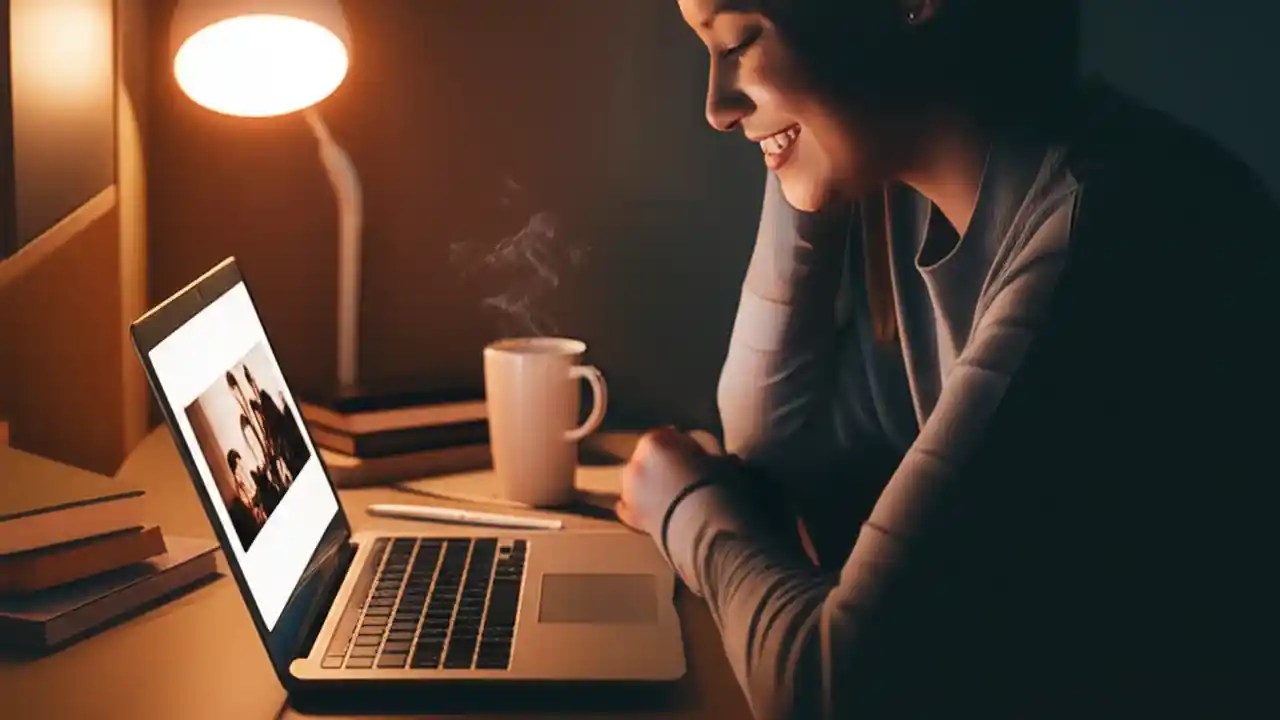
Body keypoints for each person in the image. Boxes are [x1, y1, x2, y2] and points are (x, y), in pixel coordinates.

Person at [616, 1, 1277, 716]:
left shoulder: (1118, 233)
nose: (715, 107)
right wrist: (803, 186)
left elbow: (826, 690)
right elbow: (774, 449)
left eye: (740, 39)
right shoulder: (907, 198)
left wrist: (684, 507)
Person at [226, 449, 264, 548]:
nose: (240, 465)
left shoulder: (243, 470)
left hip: (255, 496)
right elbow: (242, 494)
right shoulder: (237, 477)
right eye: (237, 462)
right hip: (251, 502)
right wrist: (250, 505)